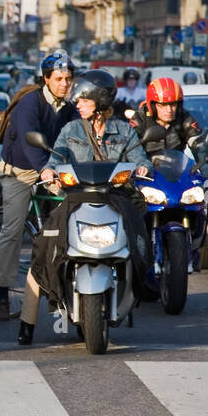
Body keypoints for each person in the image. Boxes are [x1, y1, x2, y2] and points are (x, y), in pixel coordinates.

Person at [18, 69, 151, 345]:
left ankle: (141, 282)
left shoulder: (124, 131)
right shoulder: (71, 129)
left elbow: (142, 159)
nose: (77, 104)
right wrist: (48, 172)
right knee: (45, 248)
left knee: (140, 236)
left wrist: (141, 168)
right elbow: (56, 159)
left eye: (84, 99)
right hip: (76, 201)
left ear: (100, 101)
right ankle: (26, 324)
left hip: (116, 201)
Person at [0, 51, 76, 320]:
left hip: (51, 170)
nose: (64, 84)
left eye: (68, 79)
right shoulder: (30, 103)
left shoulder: (69, 108)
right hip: (20, 170)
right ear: (46, 79)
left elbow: (80, 136)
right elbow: (30, 144)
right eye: (59, 78)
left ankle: (67, 284)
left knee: (72, 214)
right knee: (13, 229)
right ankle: (2, 291)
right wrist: (44, 169)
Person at [129, 77, 204, 154]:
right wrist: (143, 164)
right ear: (152, 106)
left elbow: (199, 145)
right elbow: (130, 150)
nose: (169, 110)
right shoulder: (140, 119)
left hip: (177, 164)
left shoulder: (185, 118)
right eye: (162, 105)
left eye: (173, 105)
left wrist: (205, 159)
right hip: (146, 164)